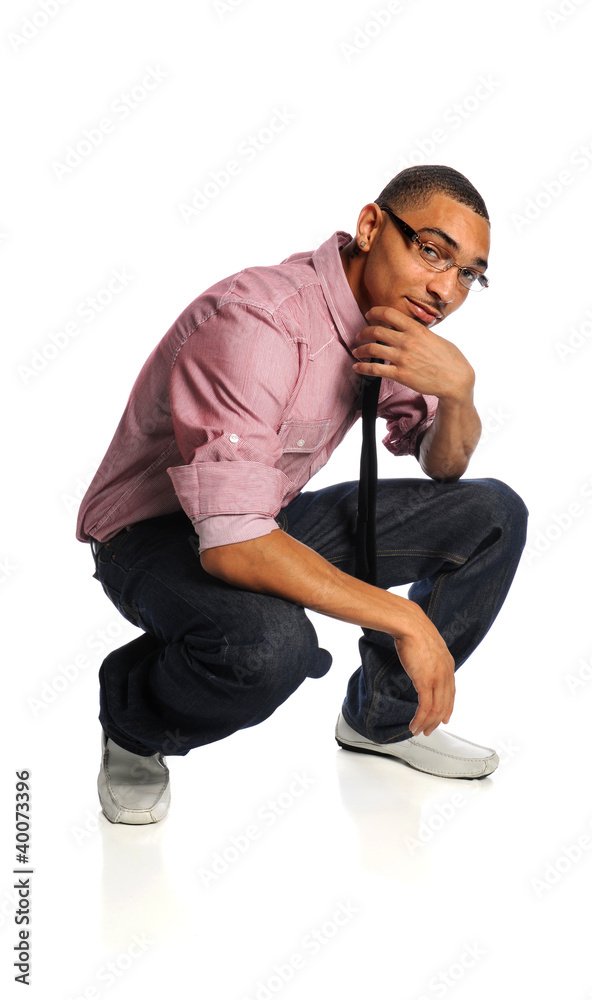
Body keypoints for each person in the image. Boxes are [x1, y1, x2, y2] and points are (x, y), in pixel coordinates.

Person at [76, 164, 528, 825]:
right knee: (269, 648)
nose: (445, 289)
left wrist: (457, 391)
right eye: (431, 250)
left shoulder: (389, 320)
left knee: (491, 515)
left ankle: (381, 721)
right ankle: (134, 722)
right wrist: (406, 619)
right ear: (372, 226)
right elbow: (231, 545)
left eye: (468, 274)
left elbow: (444, 466)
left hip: (264, 520)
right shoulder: (259, 324)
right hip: (150, 537)